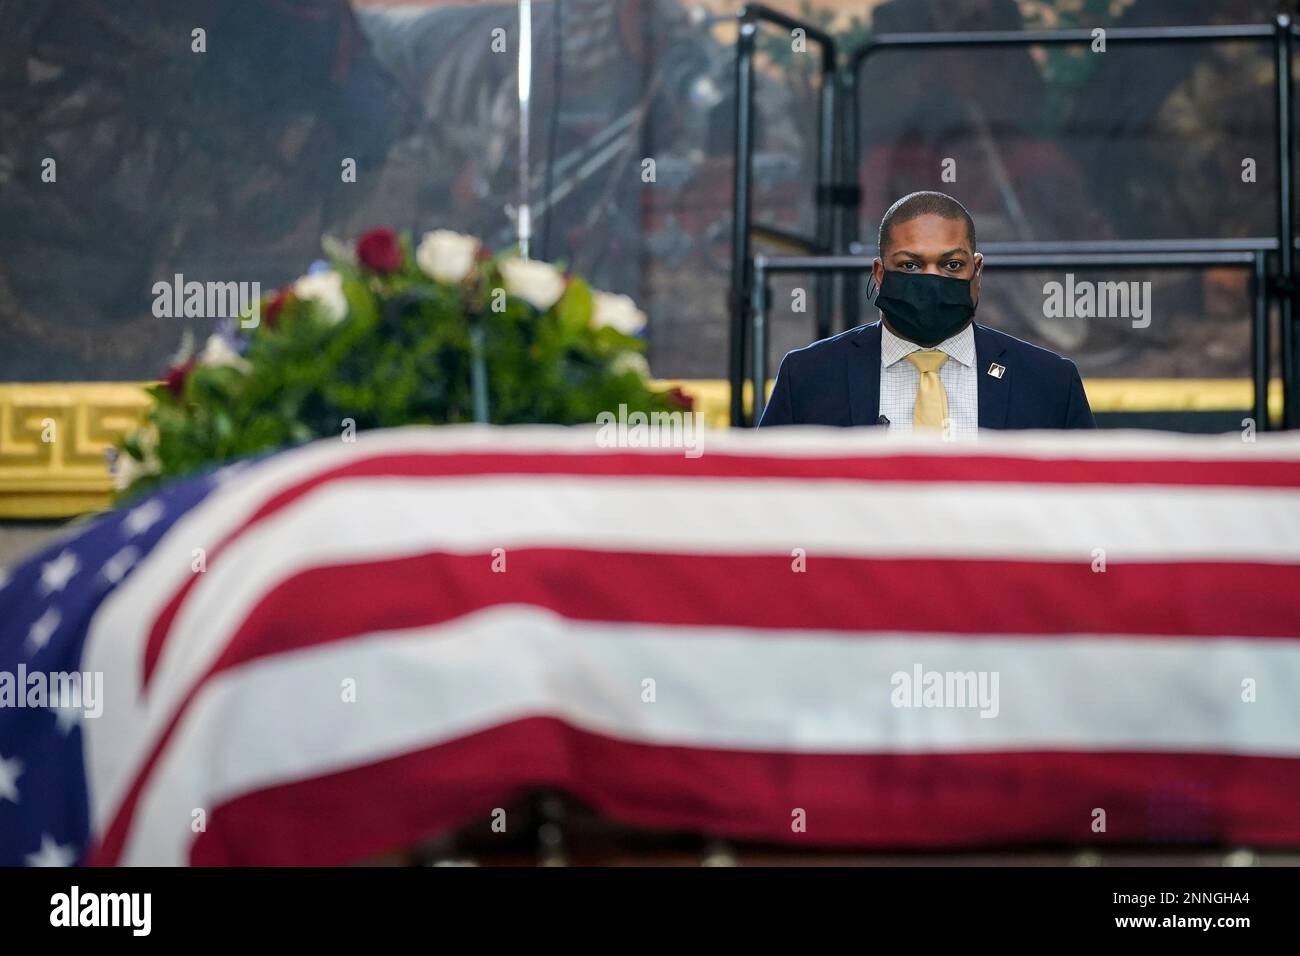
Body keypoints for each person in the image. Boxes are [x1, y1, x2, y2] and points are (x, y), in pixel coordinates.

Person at [758, 191, 1095, 435]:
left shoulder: (1048, 383)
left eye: (951, 265)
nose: (931, 280)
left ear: (977, 271)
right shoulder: (808, 377)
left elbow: (1088, 512)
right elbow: (766, 506)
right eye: (910, 265)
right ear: (879, 273)